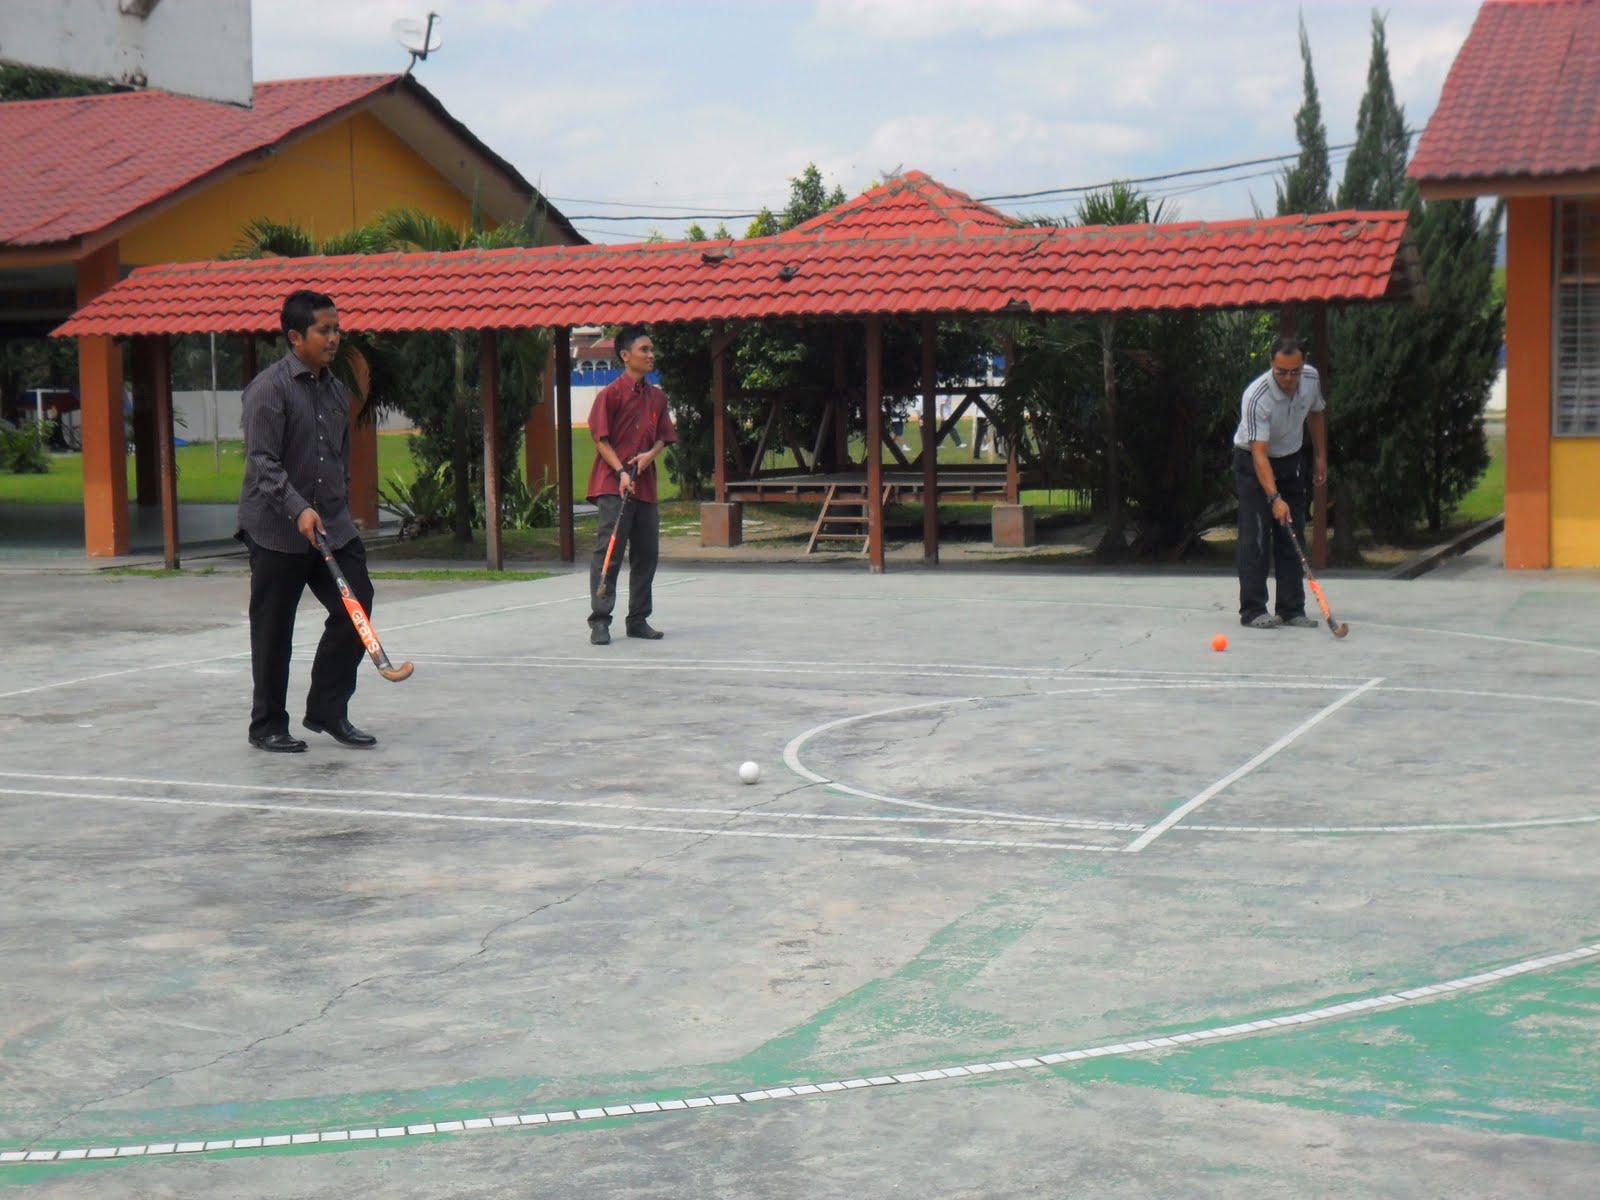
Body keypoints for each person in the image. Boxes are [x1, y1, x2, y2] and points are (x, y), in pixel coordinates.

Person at [235, 289, 377, 751]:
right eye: (324, 330)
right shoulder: (268, 389)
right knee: (274, 629)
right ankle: (268, 725)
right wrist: (299, 507)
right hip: (277, 528)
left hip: (330, 526)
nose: (334, 338)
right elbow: (261, 463)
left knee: (357, 606)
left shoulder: (336, 389)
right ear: (296, 337)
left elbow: (335, 458)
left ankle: (328, 709)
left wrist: (338, 511)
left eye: (337, 328)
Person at [586, 325, 676, 646]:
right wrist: (621, 472)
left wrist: (651, 455)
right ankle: (600, 620)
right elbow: (601, 440)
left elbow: (663, 438)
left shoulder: (657, 397)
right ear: (626, 355)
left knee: (647, 553)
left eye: (652, 350)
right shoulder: (609, 395)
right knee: (608, 553)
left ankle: (638, 618)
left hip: (646, 487)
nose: (651, 355)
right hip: (615, 486)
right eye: (644, 350)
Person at [1231, 335, 1328, 629]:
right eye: (1282, 371)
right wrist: (1274, 498)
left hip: (1291, 459)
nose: (1289, 378)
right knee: (1257, 536)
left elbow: (1316, 413)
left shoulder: (1311, 379)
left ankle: (1291, 608)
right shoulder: (1257, 396)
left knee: (1292, 532)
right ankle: (1253, 610)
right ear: (1272, 364)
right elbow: (1259, 454)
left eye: (1294, 371)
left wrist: (1321, 456)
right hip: (1253, 461)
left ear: (1303, 365)